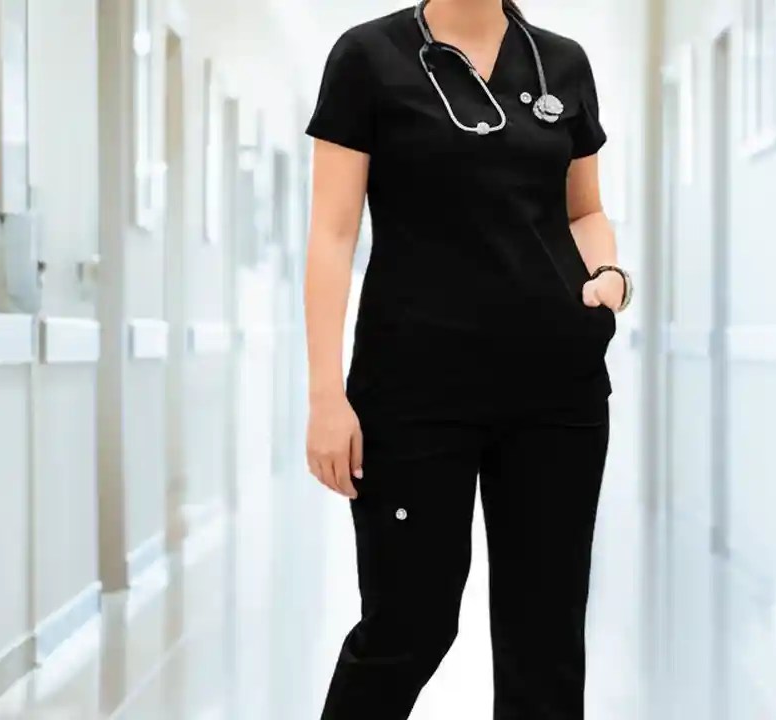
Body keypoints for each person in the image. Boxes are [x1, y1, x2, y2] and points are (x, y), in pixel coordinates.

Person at [303, 0, 632, 716]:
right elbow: (332, 233)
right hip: (413, 392)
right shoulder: (368, 57)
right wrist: (326, 396)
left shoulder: (562, 62)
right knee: (407, 624)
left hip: (557, 390)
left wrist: (608, 274)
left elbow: (583, 210)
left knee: (545, 642)